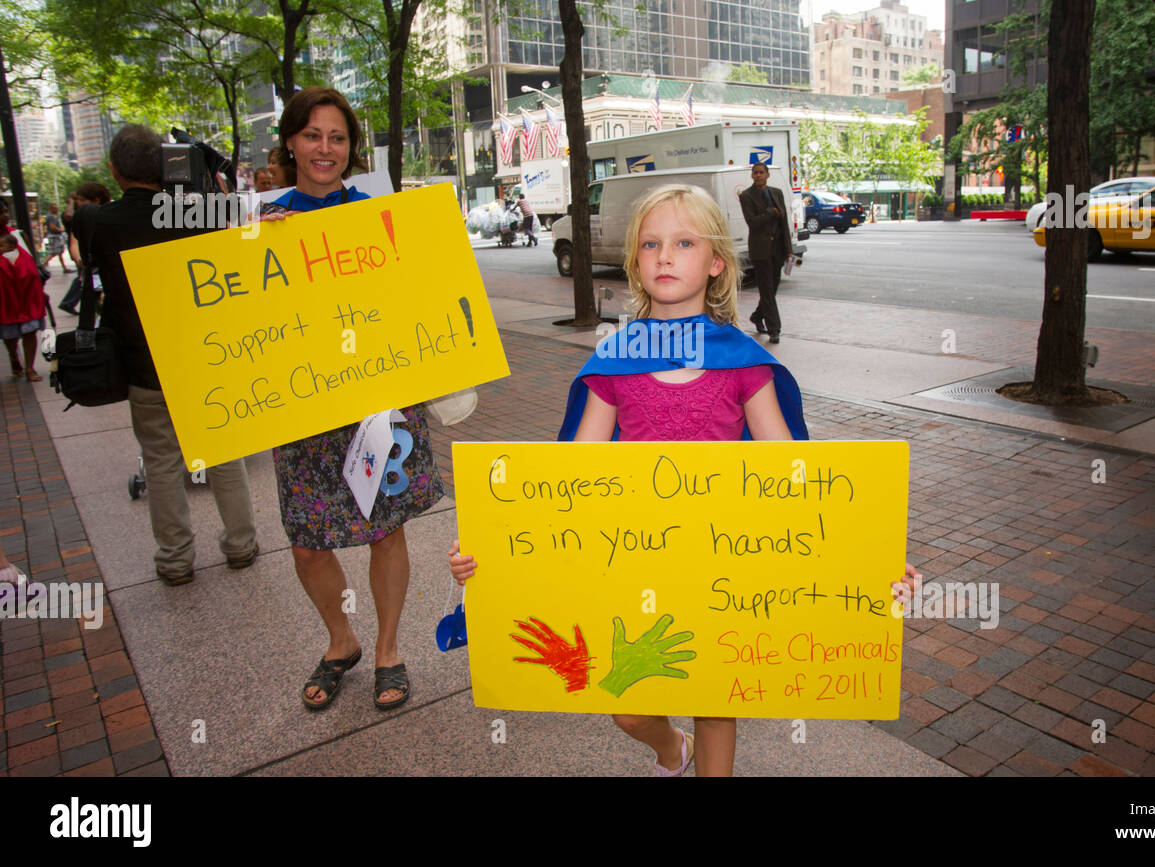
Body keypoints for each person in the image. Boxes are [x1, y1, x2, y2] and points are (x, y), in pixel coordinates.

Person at [449, 184, 918, 776]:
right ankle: (671, 750)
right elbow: (563, 483)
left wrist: (865, 560)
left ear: (716, 262)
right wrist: (489, 550)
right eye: (651, 244)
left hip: (725, 569)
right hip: (634, 564)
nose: (665, 256)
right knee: (628, 711)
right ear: (636, 263)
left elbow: (797, 481)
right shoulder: (615, 359)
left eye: (684, 242)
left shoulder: (744, 361)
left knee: (716, 701)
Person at [260, 86, 445, 712]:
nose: (325, 148)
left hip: (375, 401)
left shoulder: (376, 219)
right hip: (304, 407)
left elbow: (418, 299)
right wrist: (256, 249)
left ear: (351, 150)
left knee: (383, 530)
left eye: (337, 138)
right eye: (312, 135)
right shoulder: (255, 228)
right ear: (290, 141)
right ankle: (342, 643)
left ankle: (389, 648)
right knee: (308, 540)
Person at [77, 125, 259, 586]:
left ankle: (175, 560)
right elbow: (239, 216)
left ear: (115, 171)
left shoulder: (98, 222)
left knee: (160, 463)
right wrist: (207, 182)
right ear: (166, 166)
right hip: (204, 359)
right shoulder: (196, 211)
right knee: (224, 455)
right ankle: (241, 545)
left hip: (143, 367)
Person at [739, 163, 793, 344]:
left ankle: (757, 316)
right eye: (755, 173)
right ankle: (774, 329)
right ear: (752, 176)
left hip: (777, 249)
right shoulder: (746, 196)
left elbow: (783, 223)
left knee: (773, 288)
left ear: (768, 175)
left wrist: (789, 250)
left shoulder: (776, 193)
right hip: (760, 250)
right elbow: (752, 222)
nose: (758, 175)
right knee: (767, 290)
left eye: (762, 172)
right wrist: (770, 213)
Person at [0, 205, 46, 381]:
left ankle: (29, 368)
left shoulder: (18, 235)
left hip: (27, 294)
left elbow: (32, 261)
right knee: (9, 335)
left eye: (5, 211)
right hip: (5, 298)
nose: (4, 215)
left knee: (30, 332)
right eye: (0, 213)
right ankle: (14, 357)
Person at [60, 182, 113, 315]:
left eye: (82, 200)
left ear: (96, 199)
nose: (78, 203)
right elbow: (74, 242)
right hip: (94, 271)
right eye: (77, 200)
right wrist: (79, 259)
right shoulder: (81, 218)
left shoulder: (111, 215)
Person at [42, 203, 73, 273]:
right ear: (51, 208)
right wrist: (61, 230)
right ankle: (41, 266)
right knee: (53, 253)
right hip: (54, 236)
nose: (57, 210)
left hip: (54, 236)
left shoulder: (51, 216)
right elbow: (52, 227)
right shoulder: (51, 217)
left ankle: (64, 268)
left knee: (59, 252)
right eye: (55, 208)